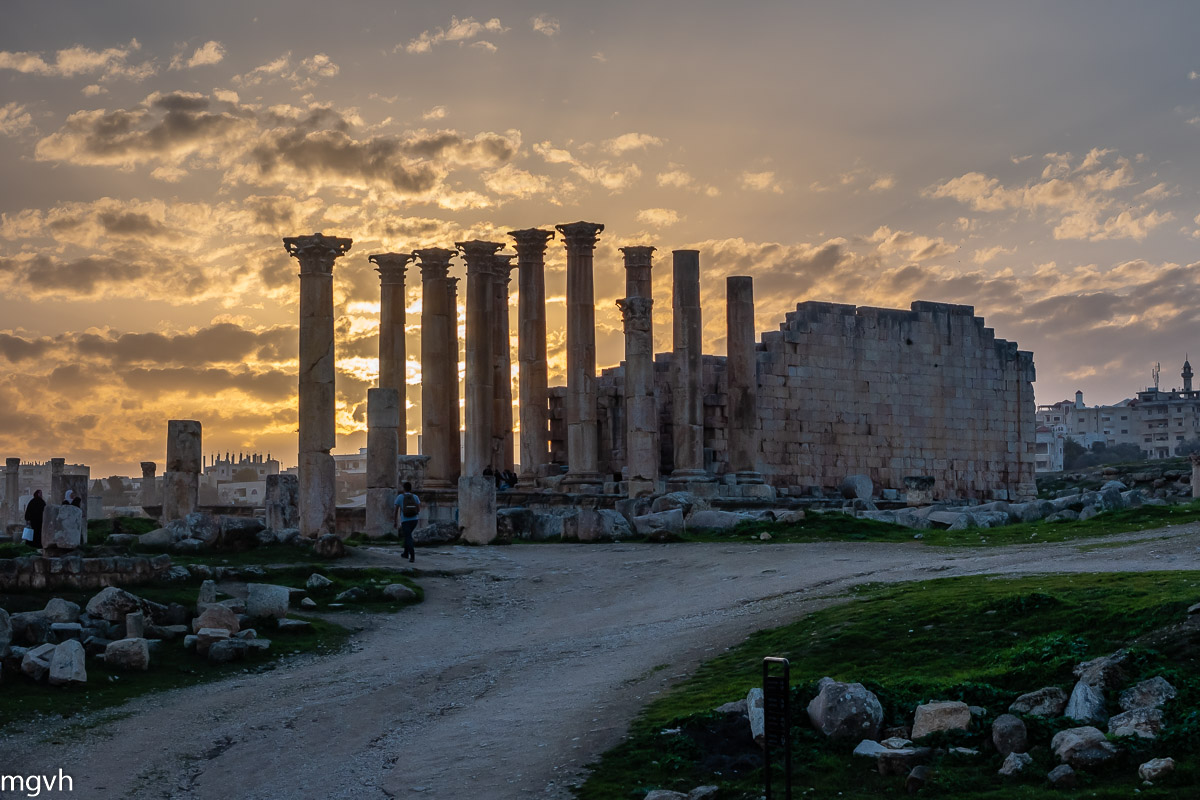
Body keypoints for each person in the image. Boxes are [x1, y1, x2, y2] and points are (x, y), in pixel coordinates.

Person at [393, 481, 420, 563]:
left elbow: (396, 510)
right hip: (414, 520)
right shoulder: (415, 497)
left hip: (405, 520)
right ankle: (405, 553)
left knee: (408, 537)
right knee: (407, 536)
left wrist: (395, 521)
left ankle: (412, 556)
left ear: (404, 489)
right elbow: (418, 509)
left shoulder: (400, 497)